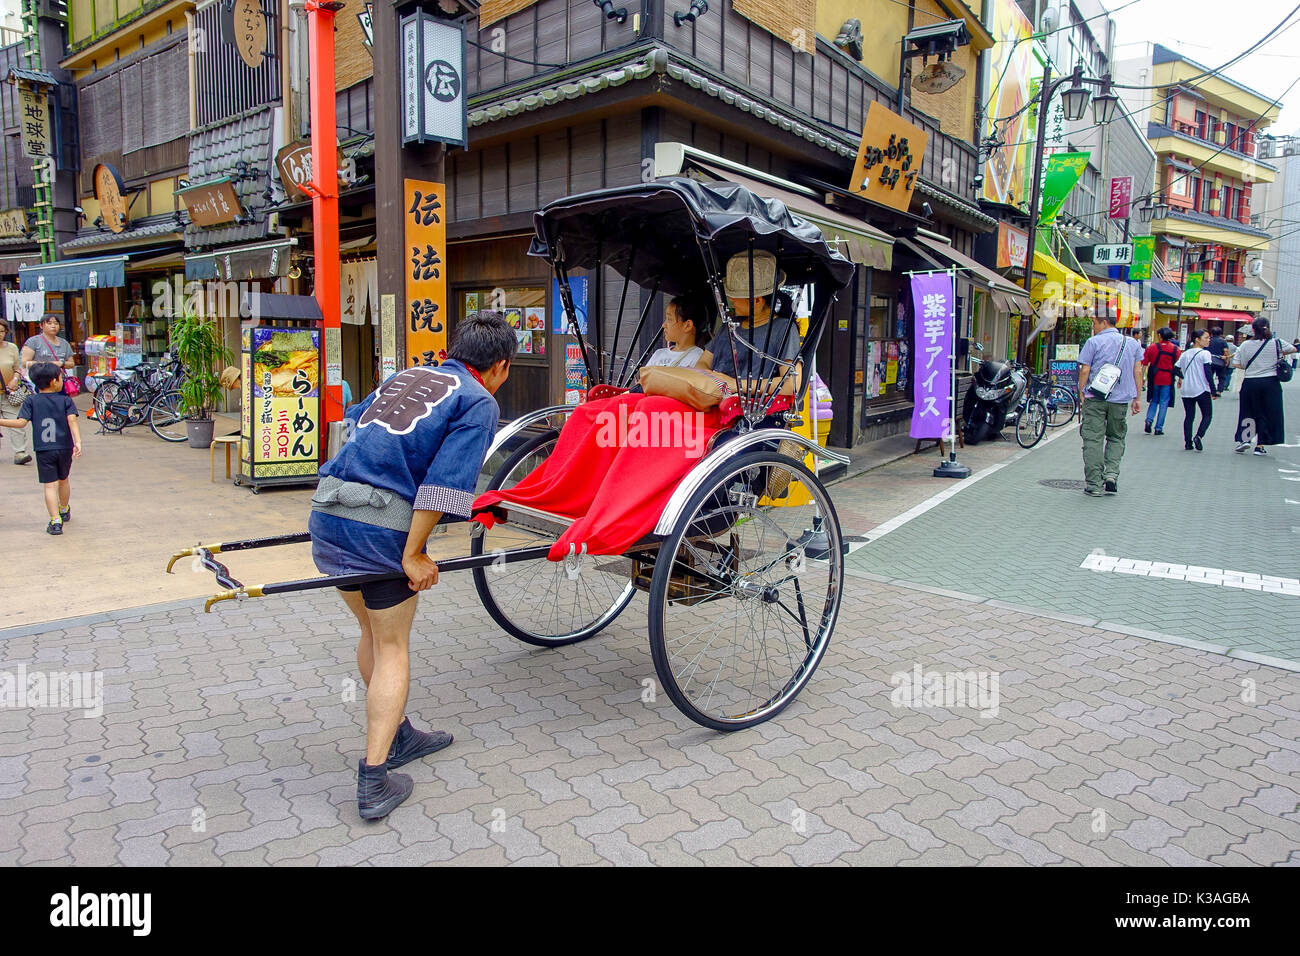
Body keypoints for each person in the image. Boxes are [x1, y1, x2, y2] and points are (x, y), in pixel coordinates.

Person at [308, 313, 513, 821]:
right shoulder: (477, 401)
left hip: (328, 512)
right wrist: (413, 552)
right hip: (379, 528)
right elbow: (445, 485)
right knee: (394, 646)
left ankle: (397, 732)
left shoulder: (407, 376)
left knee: (373, 632)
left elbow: (354, 422)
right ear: (500, 366)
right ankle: (375, 779)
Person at [0, 362, 82, 534]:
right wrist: (78, 442)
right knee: (64, 480)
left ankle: (55, 521)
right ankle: (64, 509)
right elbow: (72, 421)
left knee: (50, 486)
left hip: (44, 449)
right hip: (64, 447)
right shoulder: (65, 400)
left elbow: (20, 423)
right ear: (54, 381)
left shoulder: (31, 401)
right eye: (60, 377)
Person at [1077, 313, 1143, 496]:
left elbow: (1085, 370)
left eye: (1094, 323)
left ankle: (1094, 484)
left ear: (1103, 322)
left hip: (1095, 397)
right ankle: (1111, 475)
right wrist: (1137, 398)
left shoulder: (1093, 342)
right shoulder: (1132, 343)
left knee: (1093, 439)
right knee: (1116, 437)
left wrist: (1081, 391)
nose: (1093, 327)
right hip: (1120, 400)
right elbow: (1138, 370)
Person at [1232, 316, 1297, 456]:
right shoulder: (1276, 343)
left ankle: (1245, 440)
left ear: (1253, 330)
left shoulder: (1245, 345)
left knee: (1247, 411)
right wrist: (1278, 354)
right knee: (1266, 413)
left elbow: (1237, 364)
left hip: (1250, 382)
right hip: (1270, 383)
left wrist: (1251, 366)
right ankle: (1260, 445)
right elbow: (1292, 349)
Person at [643, 296, 710, 369]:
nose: (663, 325)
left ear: (687, 325)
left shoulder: (698, 358)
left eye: (669, 319)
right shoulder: (658, 353)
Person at [1175, 328, 1214, 451]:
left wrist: (1183, 377)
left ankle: (1188, 443)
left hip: (1187, 390)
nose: (1208, 340)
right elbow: (1208, 372)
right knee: (1207, 415)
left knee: (1189, 416)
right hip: (1202, 388)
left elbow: (1175, 368)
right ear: (1197, 339)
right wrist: (1214, 389)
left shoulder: (1185, 353)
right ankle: (1199, 436)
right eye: (1206, 338)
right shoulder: (1205, 353)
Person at [0, 318, 32, 465]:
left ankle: (20, 452)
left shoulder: (11, 347)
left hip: (9, 393)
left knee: (16, 421)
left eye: (2, 331)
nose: (0, 334)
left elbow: (17, 368)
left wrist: (15, 379)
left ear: (6, 332)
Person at [1141, 326, 1180, 435]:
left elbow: (1144, 364)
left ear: (1159, 336)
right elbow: (1178, 365)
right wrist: (1180, 378)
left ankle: (1149, 420)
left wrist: (1142, 378)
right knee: (1164, 403)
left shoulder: (1152, 348)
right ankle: (1158, 428)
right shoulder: (1175, 349)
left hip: (1154, 377)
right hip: (1168, 378)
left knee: (1154, 400)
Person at [1205, 326, 1229, 398]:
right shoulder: (1223, 341)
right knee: (1221, 377)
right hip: (1220, 361)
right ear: (1220, 333)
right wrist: (1227, 360)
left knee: (1209, 376)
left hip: (1209, 361)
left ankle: (1210, 390)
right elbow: (1226, 351)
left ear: (1211, 333)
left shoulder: (1208, 341)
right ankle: (1219, 391)